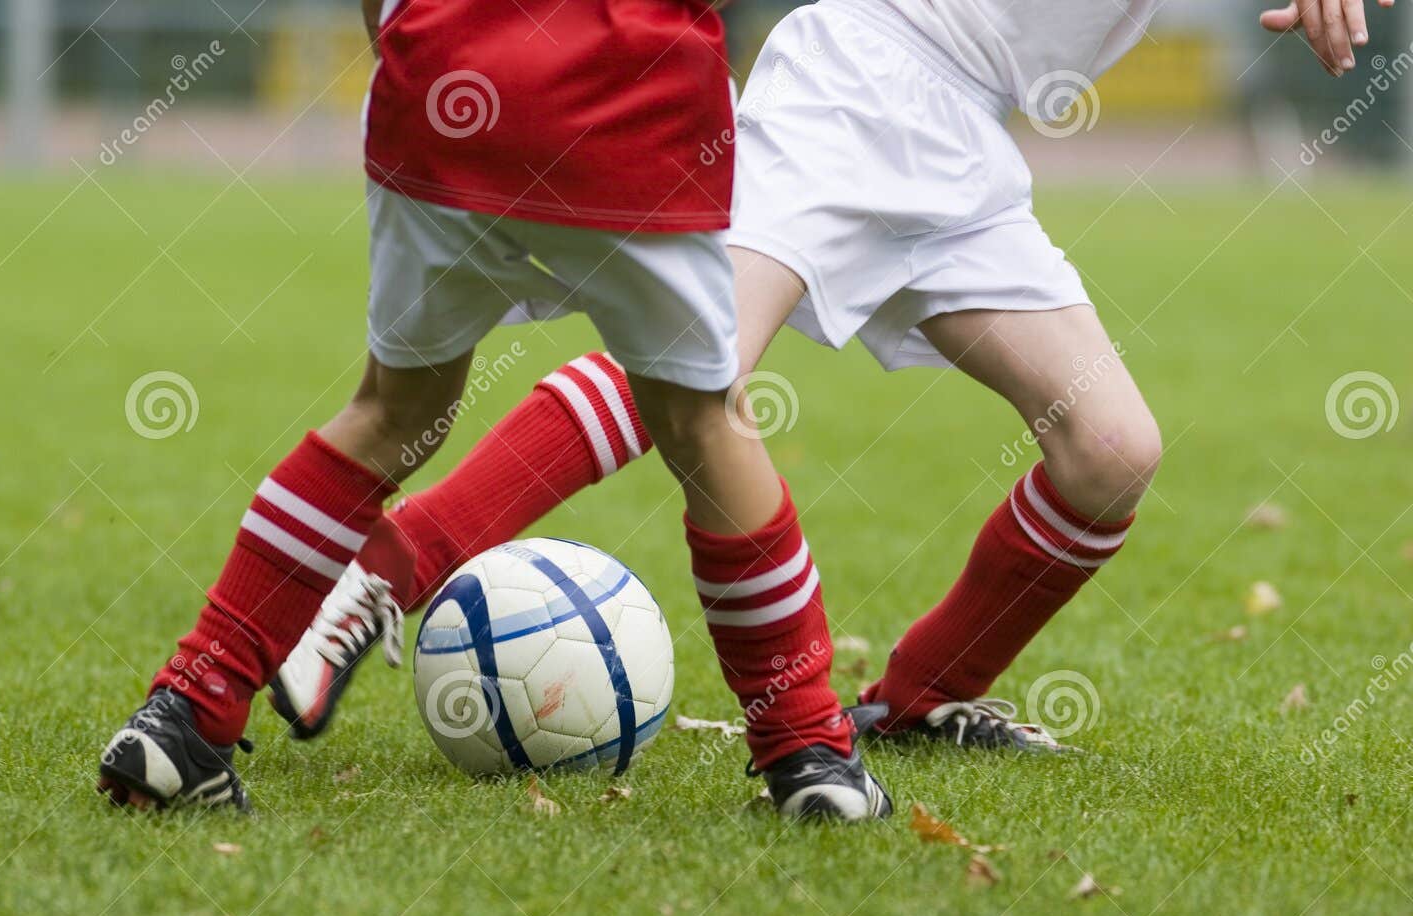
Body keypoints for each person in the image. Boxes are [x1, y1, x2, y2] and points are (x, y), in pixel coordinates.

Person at [272, 0, 1390, 755]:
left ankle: (919, 700)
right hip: (866, 67)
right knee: (691, 369)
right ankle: (383, 568)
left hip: (965, 135)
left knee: (1109, 452)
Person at [95, 0, 892, 822]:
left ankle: (189, 709)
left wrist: (410, 56)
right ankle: (809, 753)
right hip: (630, 97)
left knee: (391, 413)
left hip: (443, 81)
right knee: (703, 422)